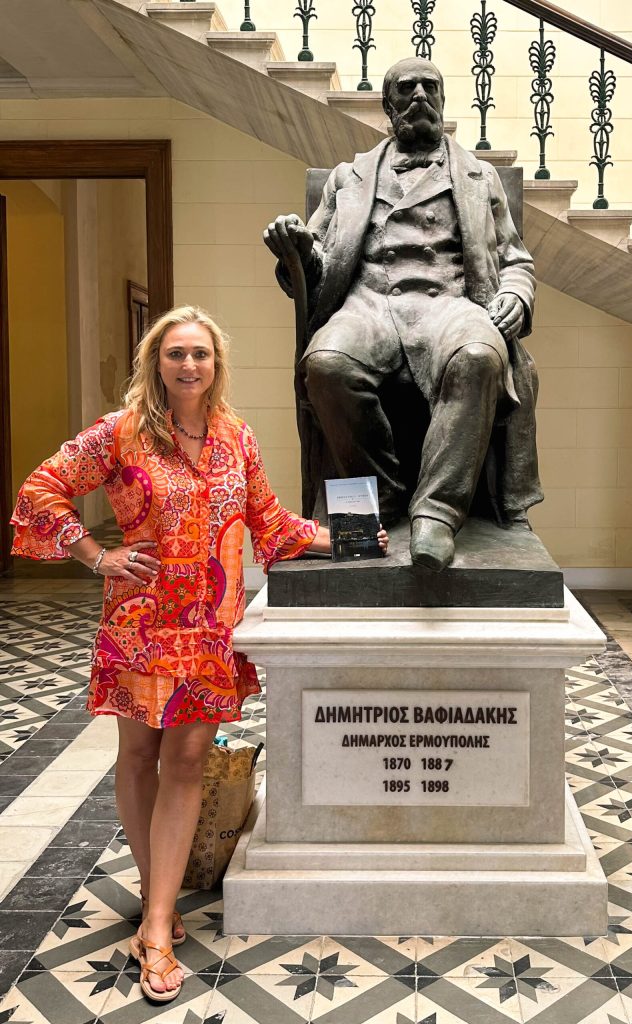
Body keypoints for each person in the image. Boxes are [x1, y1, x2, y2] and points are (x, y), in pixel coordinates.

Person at [10, 305, 387, 1003]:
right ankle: (159, 894)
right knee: (136, 757)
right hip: (140, 622)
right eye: (177, 353)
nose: (189, 365)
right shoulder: (120, 435)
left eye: (201, 355)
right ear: (157, 362)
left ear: (217, 365)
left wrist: (358, 536)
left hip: (210, 629)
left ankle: (156, 922)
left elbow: (271, 525)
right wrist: (97, 555)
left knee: (184, 762)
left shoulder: (235, 438)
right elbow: (40, 491)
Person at [265, 57, 541, 573]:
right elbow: (316, 259)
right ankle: (382, 498)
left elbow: (514, 260)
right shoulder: (348, 179)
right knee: (325, 363)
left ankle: (436, 512)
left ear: (442, 99)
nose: (419, 94)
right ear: (388, 106)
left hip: (450, 303)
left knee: (481, 356)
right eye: (405, 88)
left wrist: (517, 296)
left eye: (429, 86)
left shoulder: (479, 177)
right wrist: (297, 248)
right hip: (369, 303)